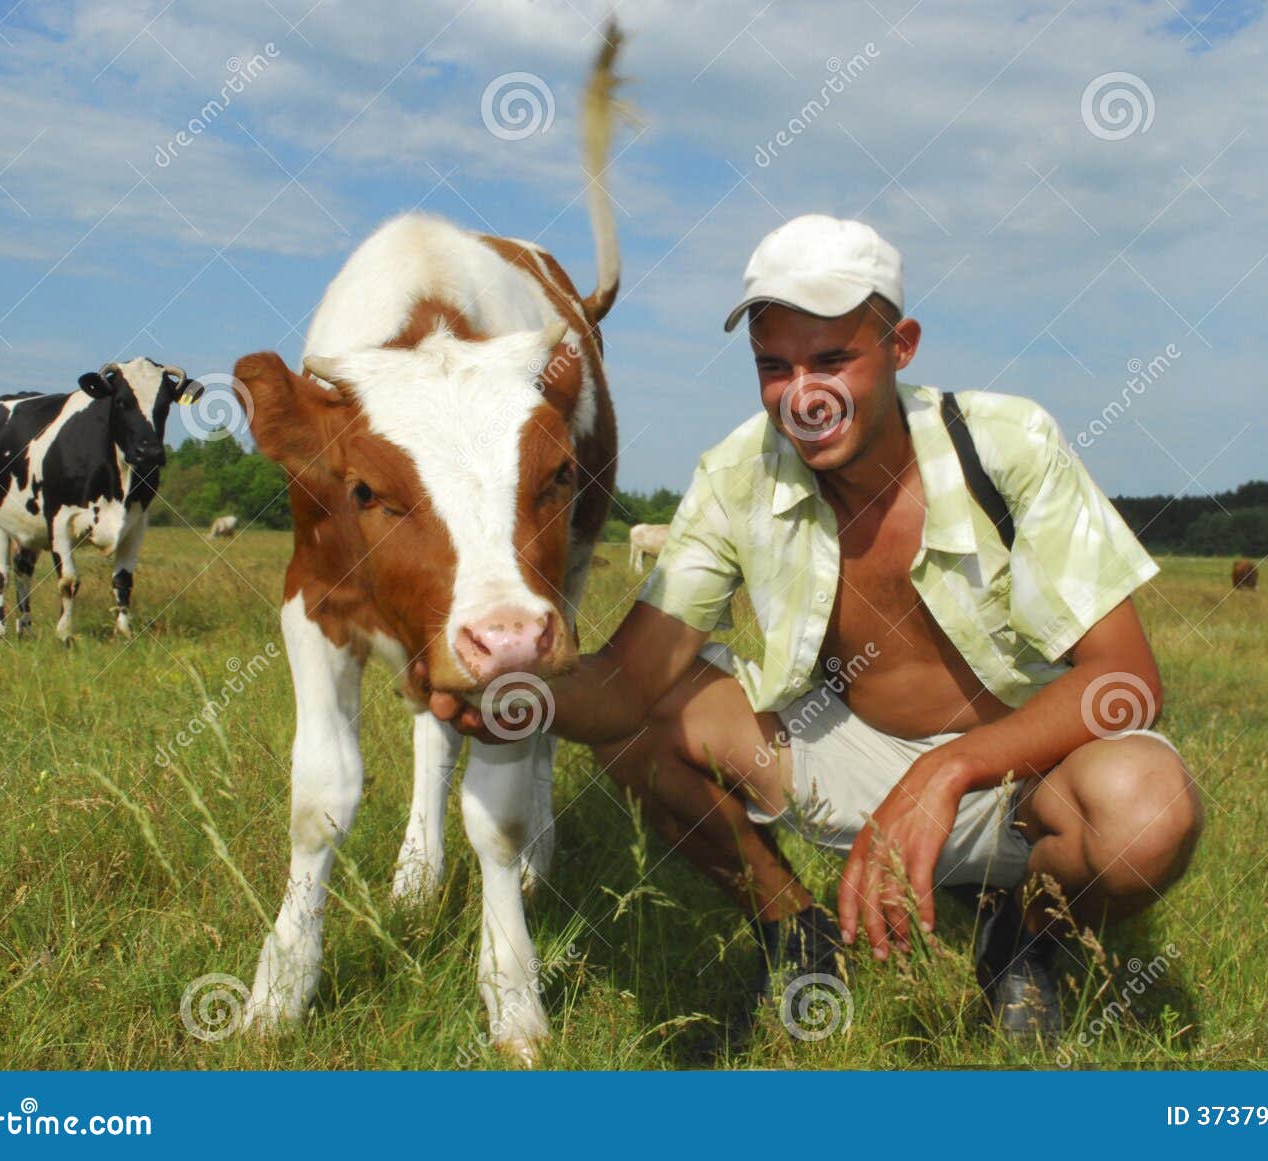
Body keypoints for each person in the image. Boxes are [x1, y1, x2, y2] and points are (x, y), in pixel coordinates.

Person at [430, 214, 1203, 1049]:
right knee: (650, 719)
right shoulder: (737, 472)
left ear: (901, 344)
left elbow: (1127, 681)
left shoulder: (1007, 442)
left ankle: (1023, 942)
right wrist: (510, 690)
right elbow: (627, 684)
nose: (804, 393)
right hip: (843, 753)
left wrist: (945, 771)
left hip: (1021, 770)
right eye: (775, 365)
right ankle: (795, 927)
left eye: (834, 359)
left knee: (1147, 812)